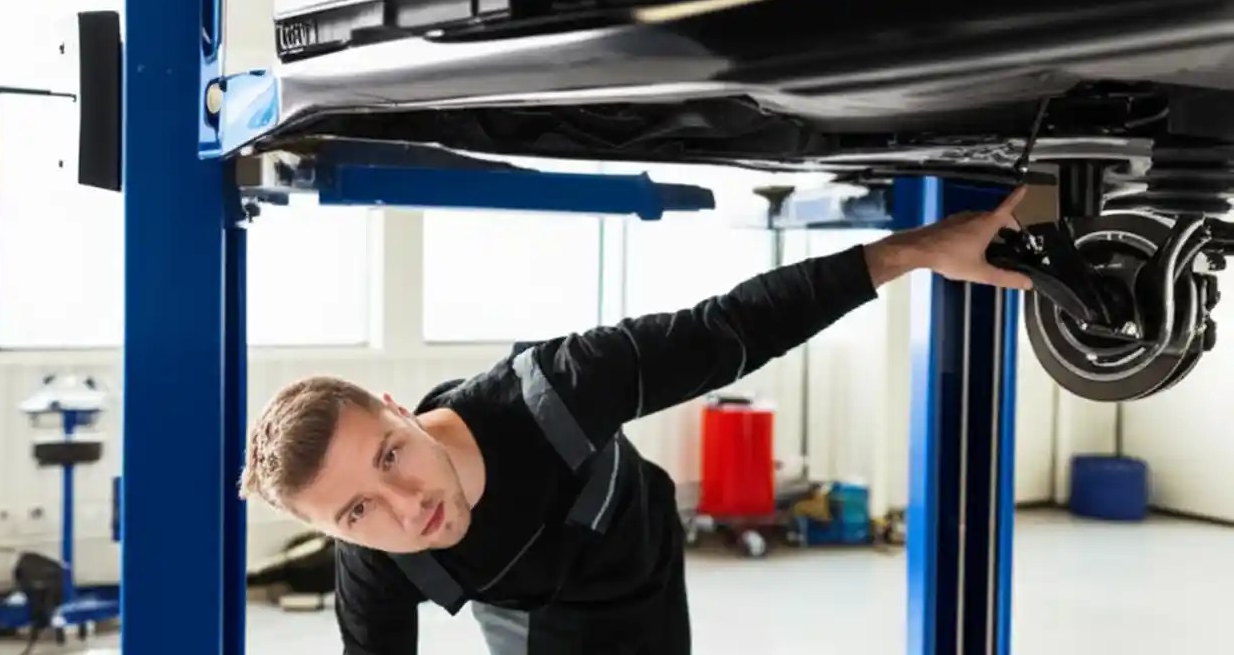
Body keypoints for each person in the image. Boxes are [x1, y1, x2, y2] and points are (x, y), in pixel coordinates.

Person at [238, 187, 1033, 655]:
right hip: (522, 606)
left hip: (630, 560)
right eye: (356, 513)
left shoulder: (558, 390)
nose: (407, 506)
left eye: (387, 458)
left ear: (396, 410)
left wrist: (917, 249)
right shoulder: (376, 564)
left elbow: (730, 330)